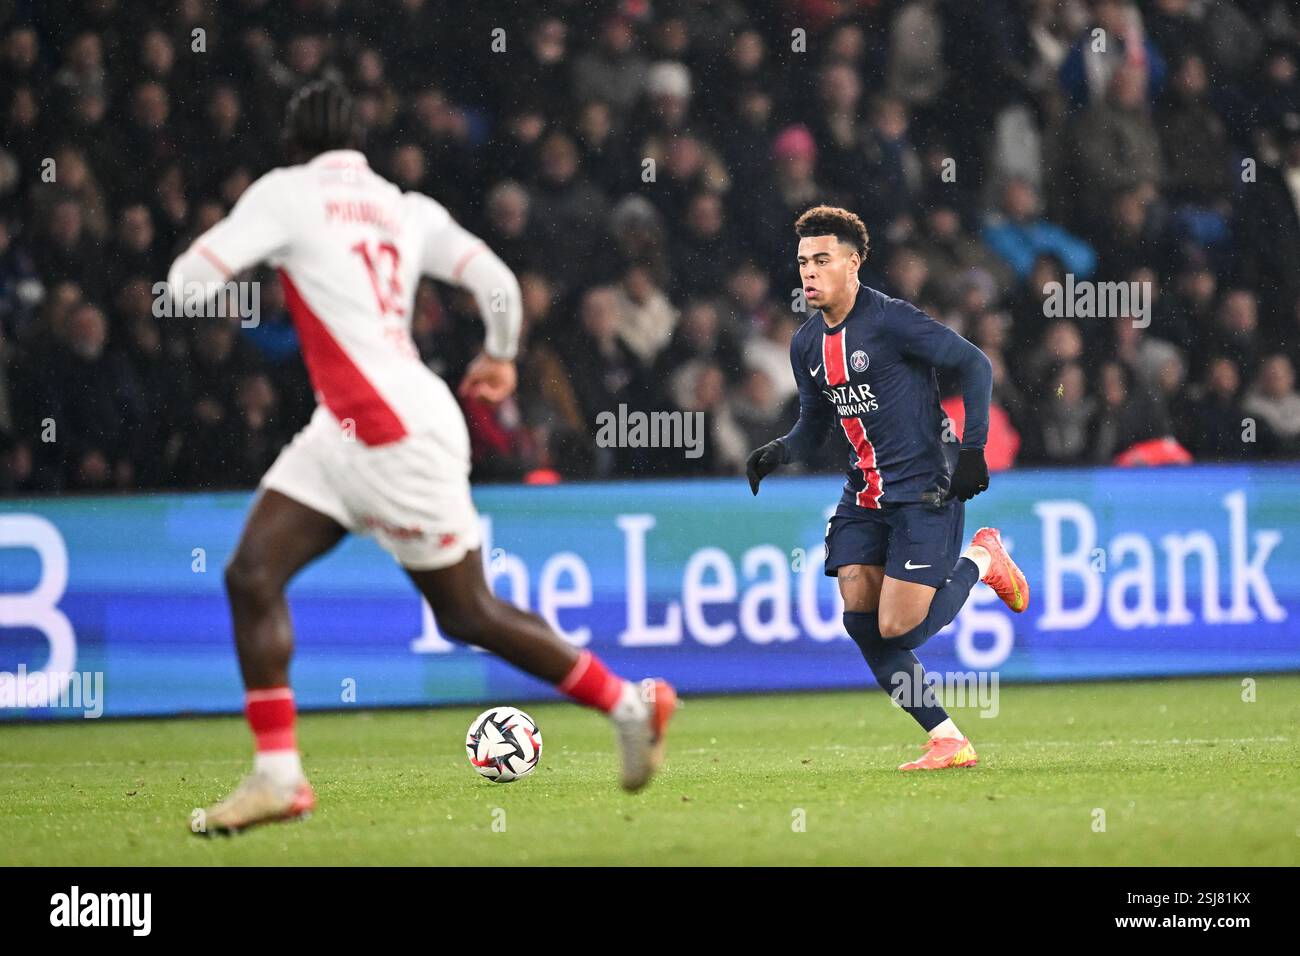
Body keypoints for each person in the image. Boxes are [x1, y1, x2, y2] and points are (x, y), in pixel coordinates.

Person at [168, 82, 675, 835]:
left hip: (385, 429)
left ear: (292, 146)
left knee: (468, 610)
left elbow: (185, 288)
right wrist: (499, 358)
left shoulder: (284, 193)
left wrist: (262, 303)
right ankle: (278, 777)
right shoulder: (403, 206)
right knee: (251, 574)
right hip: (350, 426)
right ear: (358, 148)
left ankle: (629, 704)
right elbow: (498, 284)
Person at [745, 205, 1028, 771]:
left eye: (822, 260)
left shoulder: (893, 320)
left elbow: (975, 365)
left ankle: (981, 557)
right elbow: (816, 424)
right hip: (863, 496)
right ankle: (948, 738)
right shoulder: (805, 345)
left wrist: (972, 449)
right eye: (803, 262)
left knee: (900, 628)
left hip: (925, 491)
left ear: (854, 264)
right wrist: (780, 450)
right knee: (858, 617)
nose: (808, 273)